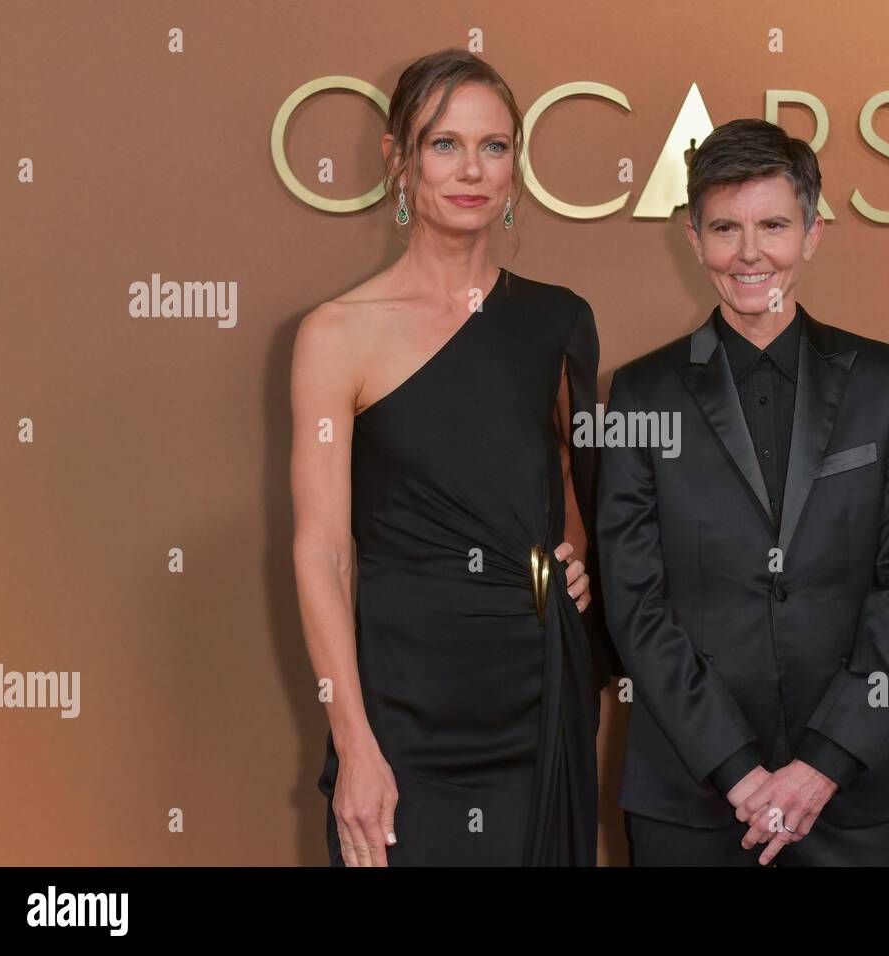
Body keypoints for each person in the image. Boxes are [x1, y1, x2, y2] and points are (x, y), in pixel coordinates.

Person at [289, 49, 614, 866]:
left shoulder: (558, 319)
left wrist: (568, 568)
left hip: (539, 695)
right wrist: (355, 743)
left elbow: (566, 507)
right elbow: (322, 550)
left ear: (515, 165)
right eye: (444, 144)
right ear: (399, 160)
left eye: (494, 146)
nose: (472, 169)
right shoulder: (337, 333)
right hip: (404, 717)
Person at [596, 118, 889, 866]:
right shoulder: (640, 392)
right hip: (690, 798)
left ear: (812, 233)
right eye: (725, 227)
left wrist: (823, 763)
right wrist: (738, 772)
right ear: (694, 238)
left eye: (774, 225)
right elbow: (634, 600)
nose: (750, 252)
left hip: (859, 798)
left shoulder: (883, 380)